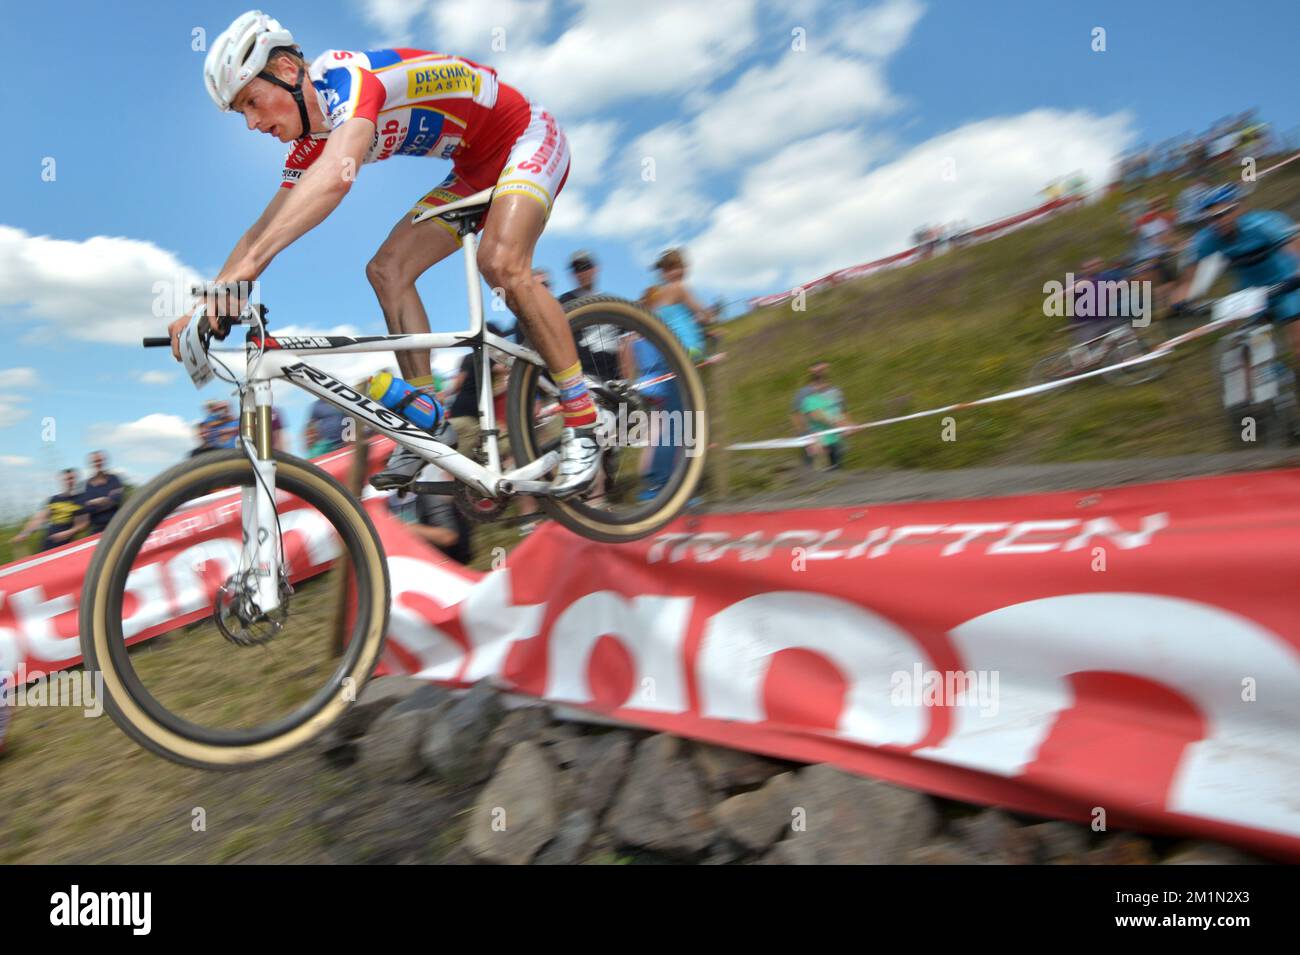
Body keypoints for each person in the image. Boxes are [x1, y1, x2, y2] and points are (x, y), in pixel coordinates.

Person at [169, 11, 612, 498]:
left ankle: (583, 419)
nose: (252, 123)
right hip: (473, 168)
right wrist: (210, 299)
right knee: (387, 270)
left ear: (290, 72)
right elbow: (261, 231)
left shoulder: (347, 79)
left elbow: (338, 177)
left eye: (252, 102)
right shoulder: (306, 144)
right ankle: (428, 417)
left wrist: (245, 276)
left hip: (527, 135)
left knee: (501, 262)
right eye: (241, 114)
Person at [1171, 184, 1300, 360]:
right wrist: (1180, 303)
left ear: (1239, 209)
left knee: (1297, 343)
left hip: (1286, 286)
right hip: (1249, 293)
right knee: (1241, 349)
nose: (1218, 221)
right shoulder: (1206, 239)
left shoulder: (1265, 224)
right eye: (1212, 218)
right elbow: (1188, 281)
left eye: (1224, 214)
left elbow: (1295, 249)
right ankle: (1262, 377)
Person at [388, 461, 474, 565]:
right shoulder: (385, 501)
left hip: (443, 564)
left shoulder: (427, 494)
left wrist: (408, 529)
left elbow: (448, 536)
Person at [11, 469, 90, 551]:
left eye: (72, 478)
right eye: (67, 479)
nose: (70, 481)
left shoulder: (81, 500)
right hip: (47, 544)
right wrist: (24, 534)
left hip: (67, 547)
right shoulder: (54, 499)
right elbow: (39, 519)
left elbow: (83, 524)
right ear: (62, 481)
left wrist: (68, 533)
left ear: (76, 480)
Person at [791, 363, 850, 470]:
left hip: (833, 436)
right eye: (817, 369)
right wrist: (802, 432)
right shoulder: (805, 394)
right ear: (811, 372)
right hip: (813, 436)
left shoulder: (835, 392)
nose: (820, 371)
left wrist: (846, 425)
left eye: (823, 369)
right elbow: (797, 414)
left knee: (836, 464)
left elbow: (842, 410)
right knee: (812, 467)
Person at [80, 451, 125, 535]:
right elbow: (88, 508)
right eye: (95, 461)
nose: (98, 463)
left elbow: (117, 499)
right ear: (91, 464)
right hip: (96, 528)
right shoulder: (87, 484)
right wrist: (107, 500)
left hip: (115, 525)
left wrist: (95, 502)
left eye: (100, 460)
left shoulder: (113, 479)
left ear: (104, 461)